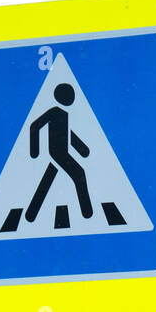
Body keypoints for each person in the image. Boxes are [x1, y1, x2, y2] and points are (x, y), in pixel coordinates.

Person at [25, 83, 93, 222]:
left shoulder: (62, 113)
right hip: (57, 153)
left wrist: (82, 149)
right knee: (79, 174)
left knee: (47, 180)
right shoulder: (54, 111)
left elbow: (67, 134)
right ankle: (88, 213)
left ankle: (30, 214)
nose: (72, 98)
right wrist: (34, 151)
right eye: (70, 95)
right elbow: (35, 126)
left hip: (60, 153)